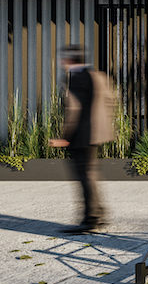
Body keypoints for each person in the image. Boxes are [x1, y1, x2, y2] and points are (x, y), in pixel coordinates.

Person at [49, 45, 116, 233]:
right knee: (91, 175)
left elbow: (73, 109)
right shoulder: (99, 76)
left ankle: (91, 220)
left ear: (69, 60)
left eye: (63, 59)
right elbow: (111, 101)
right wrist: (102, 126)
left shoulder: (75, 78)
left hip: (80, 136)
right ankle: (98, 213)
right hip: (96, 135)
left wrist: (65, 138)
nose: (61, 63)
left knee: (84, 177)